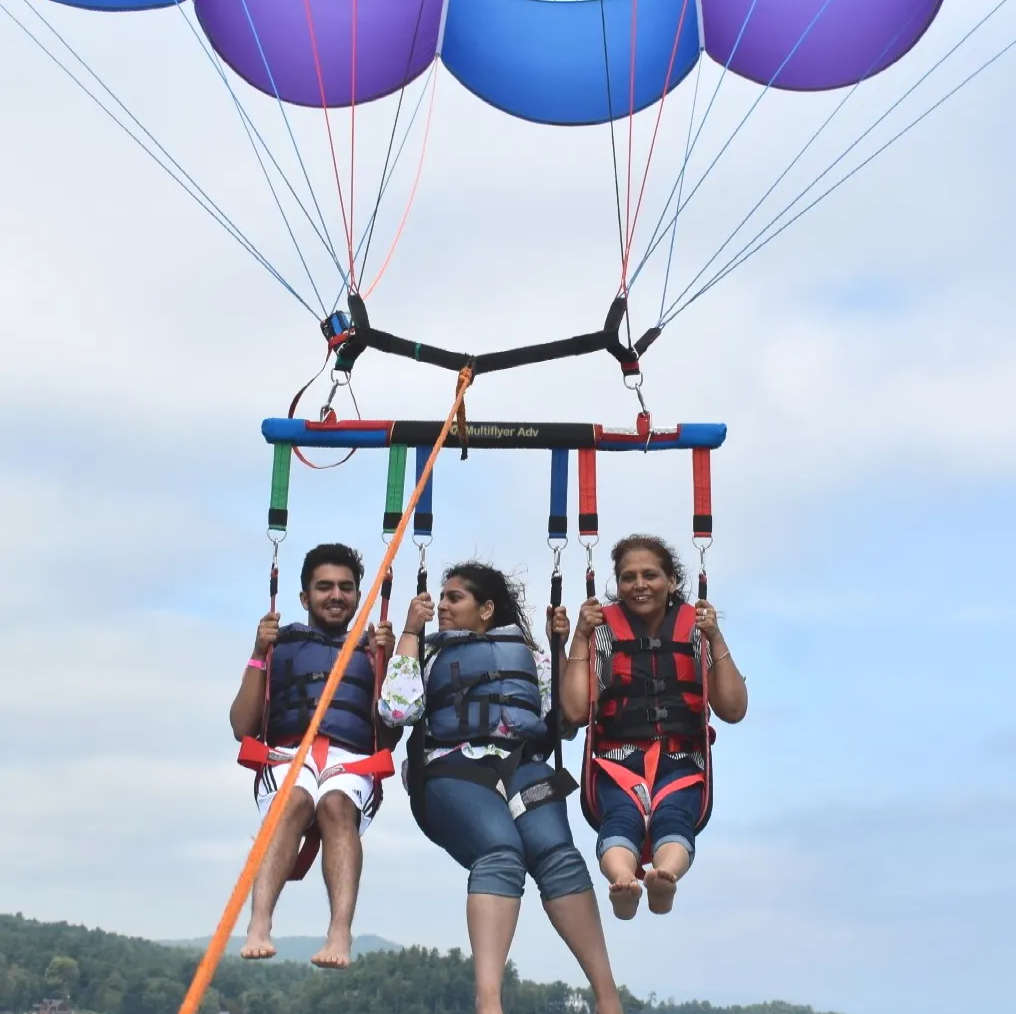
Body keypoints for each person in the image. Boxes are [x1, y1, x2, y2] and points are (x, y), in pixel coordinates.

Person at [378, 561, 624, 1014]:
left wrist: (565, 644)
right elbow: (398, 711)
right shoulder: (427, 653)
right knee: (500, 852)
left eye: (454, 598)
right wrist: (410, 633)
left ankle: (608, 999)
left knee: (558, 854)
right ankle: (488, 1001)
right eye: (442, 597)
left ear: (486, 608)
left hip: (522, 765)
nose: (442, 605)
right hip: (452, 768)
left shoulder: (530, 655)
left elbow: (567, 720)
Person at [229, 542, 397, 967]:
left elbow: (390, 736)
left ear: (357, 595)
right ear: (304, 598)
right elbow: (241, 727)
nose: (336, 595)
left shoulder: (371, 650)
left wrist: (389, 661)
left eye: (346, 587)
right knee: (295, 799)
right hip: (289, 755)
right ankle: (259, 924)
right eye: (325, 587)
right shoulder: (279, 645)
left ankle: (340, 933)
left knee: (336, 806)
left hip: (351, 761)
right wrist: (258, 653)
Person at [562, 534, 747, 920]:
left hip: (681, 759)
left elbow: (733, 709)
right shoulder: (602, 631)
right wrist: (579, 636)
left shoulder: (696, 630)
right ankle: (622, 881)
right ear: (618, 584)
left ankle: (665, 878)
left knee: (673, 816)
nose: (639, 585)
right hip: (617, 760)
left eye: (650, 575)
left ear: (672, 581)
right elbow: (576, 711)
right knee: (621, 817)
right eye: (628, 577)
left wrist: (715, 636)